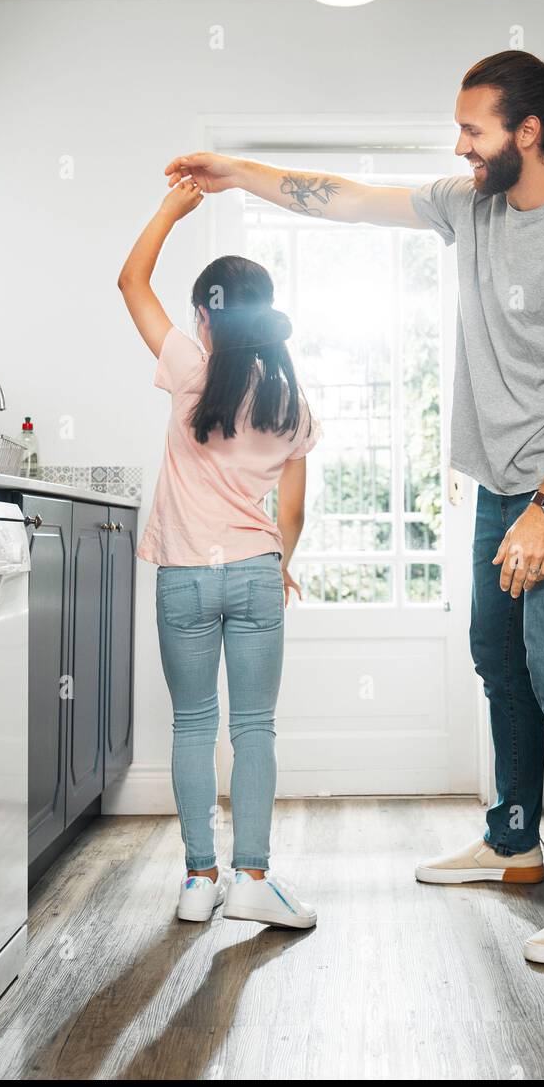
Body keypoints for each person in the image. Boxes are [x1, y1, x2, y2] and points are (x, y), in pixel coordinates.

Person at [162, 48, 544, 965]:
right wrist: (238, 173)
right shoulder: (468, 206)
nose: (460, 146)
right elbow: (343, 197)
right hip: (501, 481)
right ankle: (512, 842)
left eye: (474, 130)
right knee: (495, 656)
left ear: (528, 132)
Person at [118, 178, 320, 930]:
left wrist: (171, 207)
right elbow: (291, 510)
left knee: (193, 725)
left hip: (183, 577)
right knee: (255, 728)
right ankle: (254, 880)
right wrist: (280, 560)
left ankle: (198, 881)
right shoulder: (290, 399)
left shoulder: (187, 368)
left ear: (205, 316)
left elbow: (130, 282)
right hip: (256, 574)